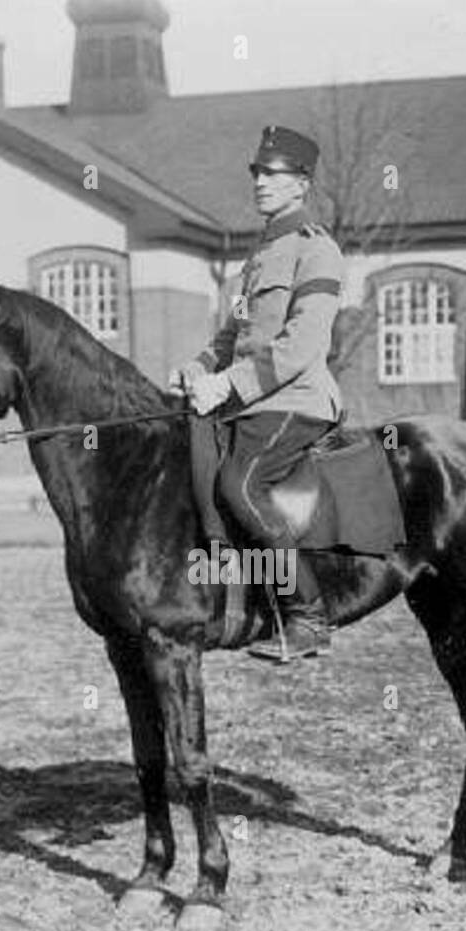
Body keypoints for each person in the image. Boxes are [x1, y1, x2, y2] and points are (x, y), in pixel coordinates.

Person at [169, 125, 344, 660]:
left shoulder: (317, 251)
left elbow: (302, 345)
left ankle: (307, 614)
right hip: (251, 399)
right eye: (257, 172)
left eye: (273, 173)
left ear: (301, 183)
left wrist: (230, 383)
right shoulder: (260, 257)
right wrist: (198, 369)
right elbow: (231, 335)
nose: (261, 182)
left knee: (239, 482)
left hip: (297, 400)